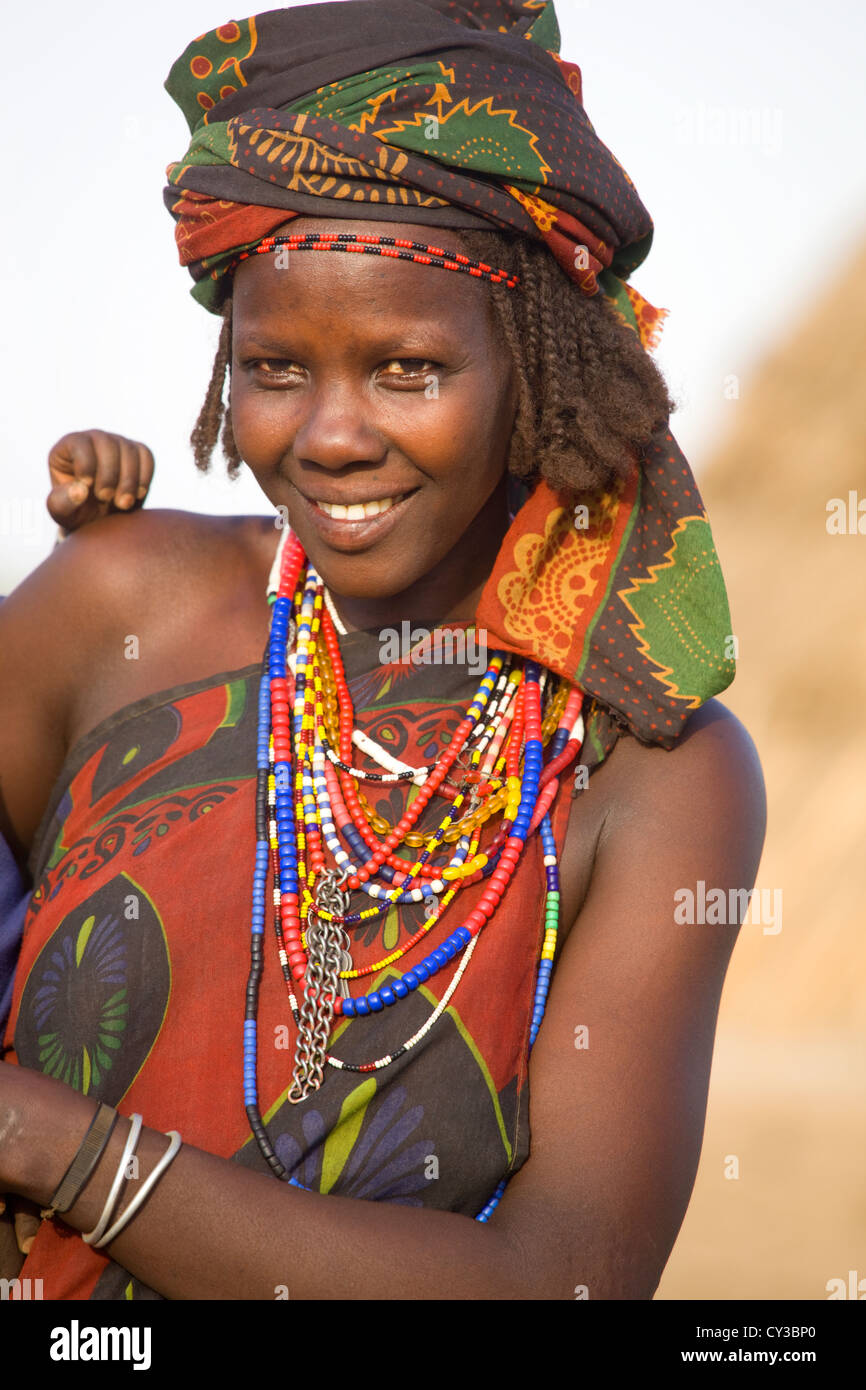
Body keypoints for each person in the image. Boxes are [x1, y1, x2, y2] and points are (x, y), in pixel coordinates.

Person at [0, 0, 765, 1300]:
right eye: (275, 368)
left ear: (534, 369)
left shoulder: (646, 771)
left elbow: (559, 1281)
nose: (331, 437)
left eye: (407, 370)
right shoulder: (118, 606)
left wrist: (49, 1138)